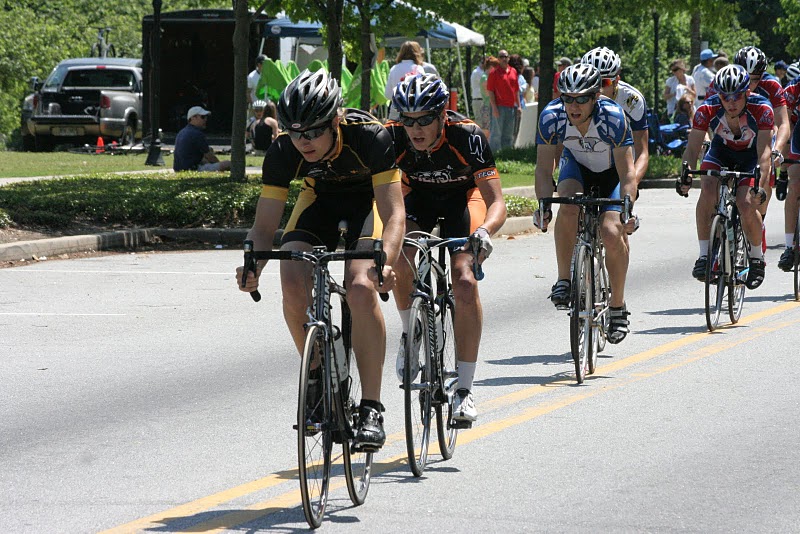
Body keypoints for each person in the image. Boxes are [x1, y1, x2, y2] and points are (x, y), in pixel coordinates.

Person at [236, 69, 405, 451]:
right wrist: (252, 266)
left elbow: (394, 213)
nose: (303, 141)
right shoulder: (283, 151)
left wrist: (386, 263)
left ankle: (372, 408)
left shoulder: (371, 137)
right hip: (319, 203)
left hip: (367, 203)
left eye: (313, 131)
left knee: (360, 287)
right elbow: (264, 227)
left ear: (335, 120)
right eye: (295, 132)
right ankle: (315, 375)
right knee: (292, 281)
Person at [385, 74, 507, 423]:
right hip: (416, 199)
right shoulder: (392, 137)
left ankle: (465, 390)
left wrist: (484, 231)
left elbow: (496, 202)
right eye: (408, 120)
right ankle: (411, 331)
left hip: (463, 200)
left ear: (442, 115)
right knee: (401, 254)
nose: (415, 128)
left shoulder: (467, 136)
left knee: (464, 280)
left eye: (425, 119)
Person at [533, 63, 637, 344]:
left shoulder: (613, 117)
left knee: (611, 232)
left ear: (595, 97)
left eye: (581, 99)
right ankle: (563, 280)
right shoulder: (552, 116)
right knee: (567, 204)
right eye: (567, 98)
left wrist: (628, 209)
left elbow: (628, 172)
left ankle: (617, 306)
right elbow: (543, 169)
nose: (573, 106)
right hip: (576, 168)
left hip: (612, 174)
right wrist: (543, 206)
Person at [677, 64, 772, 290]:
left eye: (736, 96)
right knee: (707, 188)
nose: (731, 102)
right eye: (725, 97)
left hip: (751, 155)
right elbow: (692, 149)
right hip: (720, 152)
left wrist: (759, 187)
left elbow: (764, 154)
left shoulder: (761, 109)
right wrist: (685, 174)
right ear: (717, 95)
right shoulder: (707, 109)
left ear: (747, 92)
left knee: (745, 202)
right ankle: (704, 255)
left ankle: (756, 258)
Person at [581, 46, 649, 192]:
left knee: (619, 202)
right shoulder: (575, 100)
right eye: (591, 82)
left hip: (620, 164)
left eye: (603, 83)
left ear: (616, 80)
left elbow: (642, 152)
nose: (597, 89)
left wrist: (632, 184)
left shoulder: (632, 100)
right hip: (585, 159)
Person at [777, 69, 800, 270]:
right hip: (798, 131)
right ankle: (789, 247)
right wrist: (784, 171)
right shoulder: (793, 89)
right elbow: (784, 125)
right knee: (796, 184)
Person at [173, 106, 231, 172]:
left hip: (178, 169)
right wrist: (220, 165)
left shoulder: (182, 132)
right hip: (193, 169)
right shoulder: (197, 133)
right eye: (202, 117)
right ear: (193, 118)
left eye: (206, 117)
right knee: (228, 164)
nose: (205, 119)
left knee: (209, 150)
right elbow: (210, 156)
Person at [486, 49, 522, 152]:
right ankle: (494, 155)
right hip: (499, 107)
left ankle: (506, 154)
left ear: (509, 58)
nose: (504, 59)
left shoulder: (513, 71)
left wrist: (519, 106)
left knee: (509, 134)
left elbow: (516, 90)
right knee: (496, 134)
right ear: (498, 59)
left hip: (511, 107)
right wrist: (494, 108)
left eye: (506, 56)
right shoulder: (494, 73)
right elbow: (490, 91)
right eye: (501, 57)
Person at [384, 40, 428, 115]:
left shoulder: (394, 69)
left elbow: (387, 94)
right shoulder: (418, 69)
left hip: (396, 111)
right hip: (413, 113)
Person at [470, 56, 486, 126]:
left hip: (482, 100)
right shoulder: (477, 72)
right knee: (480, 122)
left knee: (485, 122)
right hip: (479, 100)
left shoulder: (481, 72)